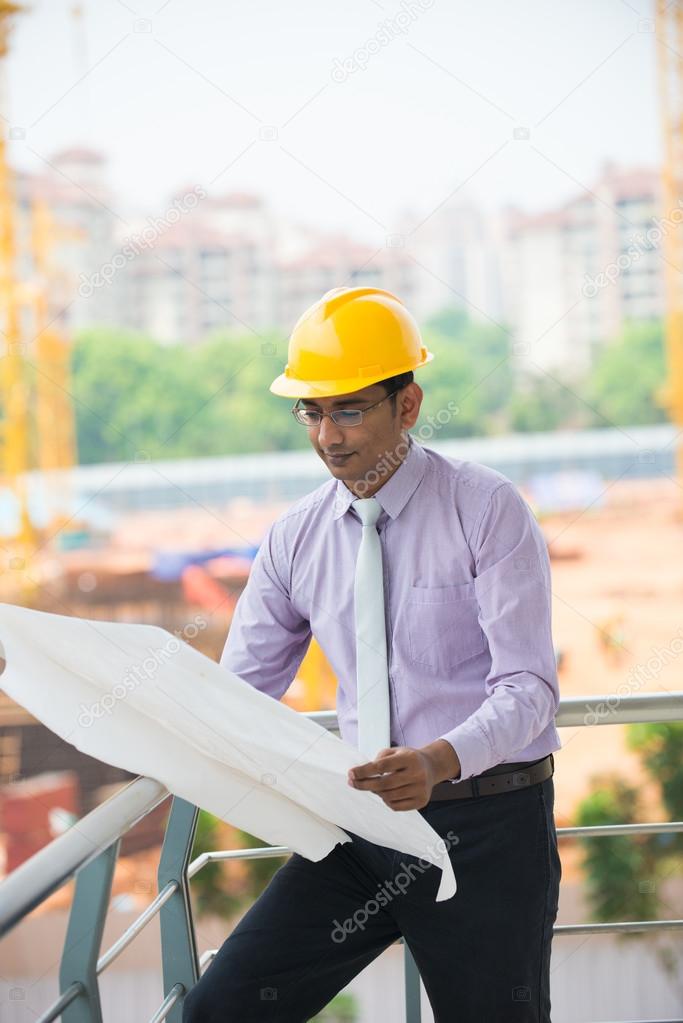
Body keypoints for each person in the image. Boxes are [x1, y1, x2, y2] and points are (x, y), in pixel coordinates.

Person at [182, 286, 562, 1023]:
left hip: (487, 825)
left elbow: (529, 690)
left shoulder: (485, 509)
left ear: (408, 406)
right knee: (221, 1010)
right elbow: (236, 691)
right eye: (311, 411)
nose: (328, 435)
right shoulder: (295, 537)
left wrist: (435, 759)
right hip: (360, 832)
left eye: (349, 408)